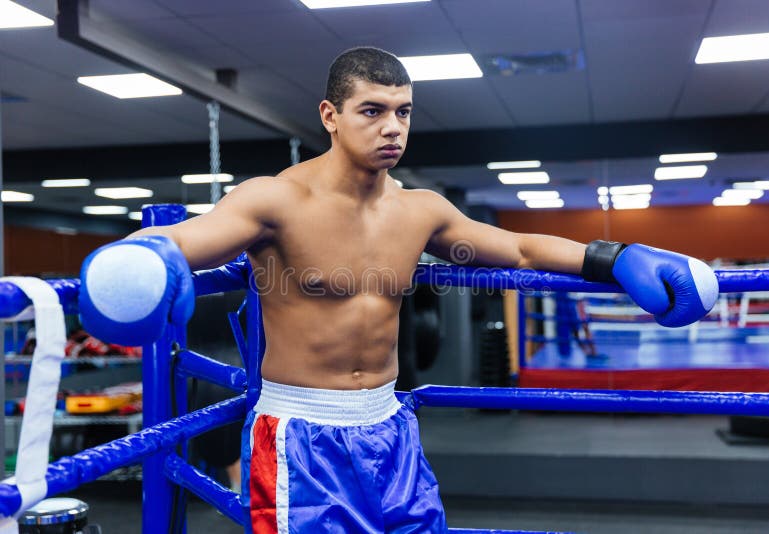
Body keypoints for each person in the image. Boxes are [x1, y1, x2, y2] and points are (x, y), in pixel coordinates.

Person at [78, 47, 719, 533]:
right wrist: (141, 263)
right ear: (331, 116)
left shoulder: (420, 210)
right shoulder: (276, 199)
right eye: (373, 111)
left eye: (403, 112)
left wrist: (616, 257)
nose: (393, 127)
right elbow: (189, 242)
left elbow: (519, 249)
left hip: (391, 426)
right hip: (303, 433)